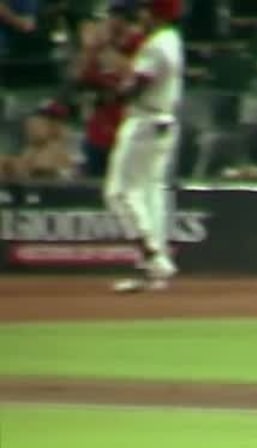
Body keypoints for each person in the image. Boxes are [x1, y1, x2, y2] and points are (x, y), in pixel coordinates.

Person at [105, 0, 183, 294]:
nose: (142, 16)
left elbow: (133, 89)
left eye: (147, 11)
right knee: (152, 193)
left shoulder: (156, 45)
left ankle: (153, 256)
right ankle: (158, 266)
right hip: (162, 122)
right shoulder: (172, 40)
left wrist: (117, 82)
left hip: (145, 122)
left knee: (119, 193)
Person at [72, 2, 143, 179]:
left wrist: (104, 47)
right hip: (98, 125)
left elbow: (132, 73)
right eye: (111, 17)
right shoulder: (98, 45)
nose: (112, 22)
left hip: (128, 124)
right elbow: (76, 76)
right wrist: (89, 49)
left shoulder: (139, 43)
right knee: (93, 184)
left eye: (119, 18)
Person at [0, 103, 74, 181]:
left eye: (35, 125)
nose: (30, 129)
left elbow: (43, 166)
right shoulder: (30, 149)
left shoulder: (54, 149)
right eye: (29, 126)